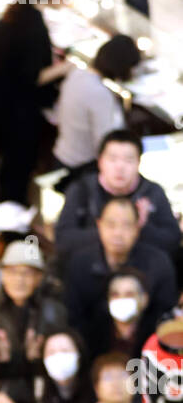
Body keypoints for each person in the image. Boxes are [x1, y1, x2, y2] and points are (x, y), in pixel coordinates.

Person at [0, 0, 74, 204]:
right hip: (20, 110)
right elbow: (33, 76)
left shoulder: (21, 8)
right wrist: (69, 67)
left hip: (3, 103)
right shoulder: (32, 25)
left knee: (12, 162)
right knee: (18, 165)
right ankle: (12, 214)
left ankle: (9, 208)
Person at [60, 196, 177, 357]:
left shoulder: (158, 263)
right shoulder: (80, 264)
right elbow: (73, 317)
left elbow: (166, 314)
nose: (118, 233)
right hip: (94, 354)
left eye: (126, 225)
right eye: (111, 224)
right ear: (99, 225)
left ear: (137, 228)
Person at [54, 128, 181, 257]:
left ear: (139, 162)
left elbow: (173, 241)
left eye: (128, 160)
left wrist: (140, 228)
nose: (120, 167)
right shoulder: (82, 190)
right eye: (112, 159)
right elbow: (63, 240)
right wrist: (110, 231)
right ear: (100, 162)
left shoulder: (153, 192)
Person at [0, 239, 65, 386]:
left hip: (42, 393)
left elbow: (63, 363)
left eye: (27, 273)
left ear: (39, 278)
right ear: (2, 274)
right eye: (12, 272)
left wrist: (39, 358)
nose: (19, 280)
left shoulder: (54, 312)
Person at [52, 35, 139, 175]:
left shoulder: (77, 74)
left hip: (62, 154)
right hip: (80, 168)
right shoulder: (100, 95)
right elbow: (105, 143)